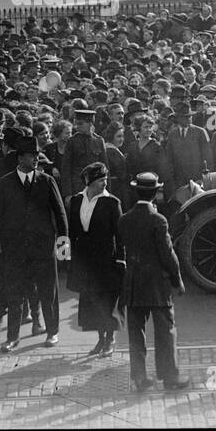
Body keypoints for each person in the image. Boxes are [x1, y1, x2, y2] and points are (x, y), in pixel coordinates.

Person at [0, 129, 68, 350]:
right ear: (20, 157)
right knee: (15, 292)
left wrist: (64, 247)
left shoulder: (46, 180)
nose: (35, 159)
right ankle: (12, 337)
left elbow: (60, 214)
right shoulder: (6, 183)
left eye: (36, 155)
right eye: (31, 155)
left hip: (43, 248)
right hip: (15, 248)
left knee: (48, 292)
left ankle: (52, 332)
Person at [119, 172, 192, 392]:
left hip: (134, 282)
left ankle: (140, 378)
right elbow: (167, 254)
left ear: (136, 191)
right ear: (155, 193)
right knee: (165, 330)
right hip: (157, 285)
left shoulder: (125, 219)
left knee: (135, 332)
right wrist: (177, 279)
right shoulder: (159, 220)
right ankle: (170, 377)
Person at [66, 161, 125, 357]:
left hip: (106, 261)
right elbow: (68, 231)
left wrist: (121, 260)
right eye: (100, 180)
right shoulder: (76, 201)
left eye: (105, 179)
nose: (104, 183)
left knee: (107, 302)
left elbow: (120, 235)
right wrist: (64, 257)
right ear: (89, 182)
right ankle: (101, 339)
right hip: (85, 263)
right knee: (93, 303)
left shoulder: (112, 203)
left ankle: (110, 339)